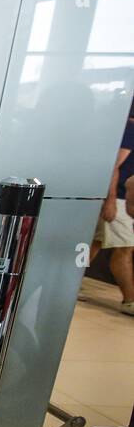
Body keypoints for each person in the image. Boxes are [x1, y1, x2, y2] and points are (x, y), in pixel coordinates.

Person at [92, 112, 134, 315]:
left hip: (119, 198)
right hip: (118, 198)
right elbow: (113, 165)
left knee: (95, 244)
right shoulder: (130, 130)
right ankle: (130, 299)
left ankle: (69, 284)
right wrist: (110, 200)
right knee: (124, 248)